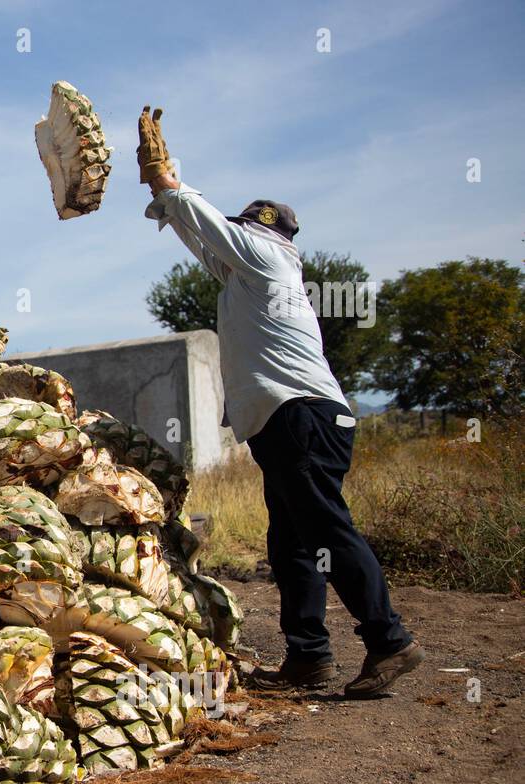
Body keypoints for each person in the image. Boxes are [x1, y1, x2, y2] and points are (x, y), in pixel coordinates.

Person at [136, 105, 423, 697]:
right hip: (289, 421)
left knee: (327, 531)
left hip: (301, 418)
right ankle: (309, 656)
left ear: (270, 238)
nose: (238, 243)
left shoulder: (270, 261)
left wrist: (172, 181)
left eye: (247, 234)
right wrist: (168, 197)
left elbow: (217, 232)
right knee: (292, 540)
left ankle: (390, 642)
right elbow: (207, 243)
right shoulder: (250, 275)